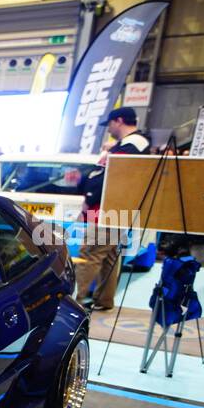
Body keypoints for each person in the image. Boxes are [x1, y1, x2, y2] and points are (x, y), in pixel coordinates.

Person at [77, 106, 150, 312]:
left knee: (89, 255)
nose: (109, 129)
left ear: (118, 121)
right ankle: (104, 300)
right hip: (112, 210)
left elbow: (111, 176)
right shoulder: (127, 145)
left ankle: (75, 302)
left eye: (109, 124)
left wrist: (110, 151)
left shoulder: (133, 144)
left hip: (109, 211)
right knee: (108, 257)